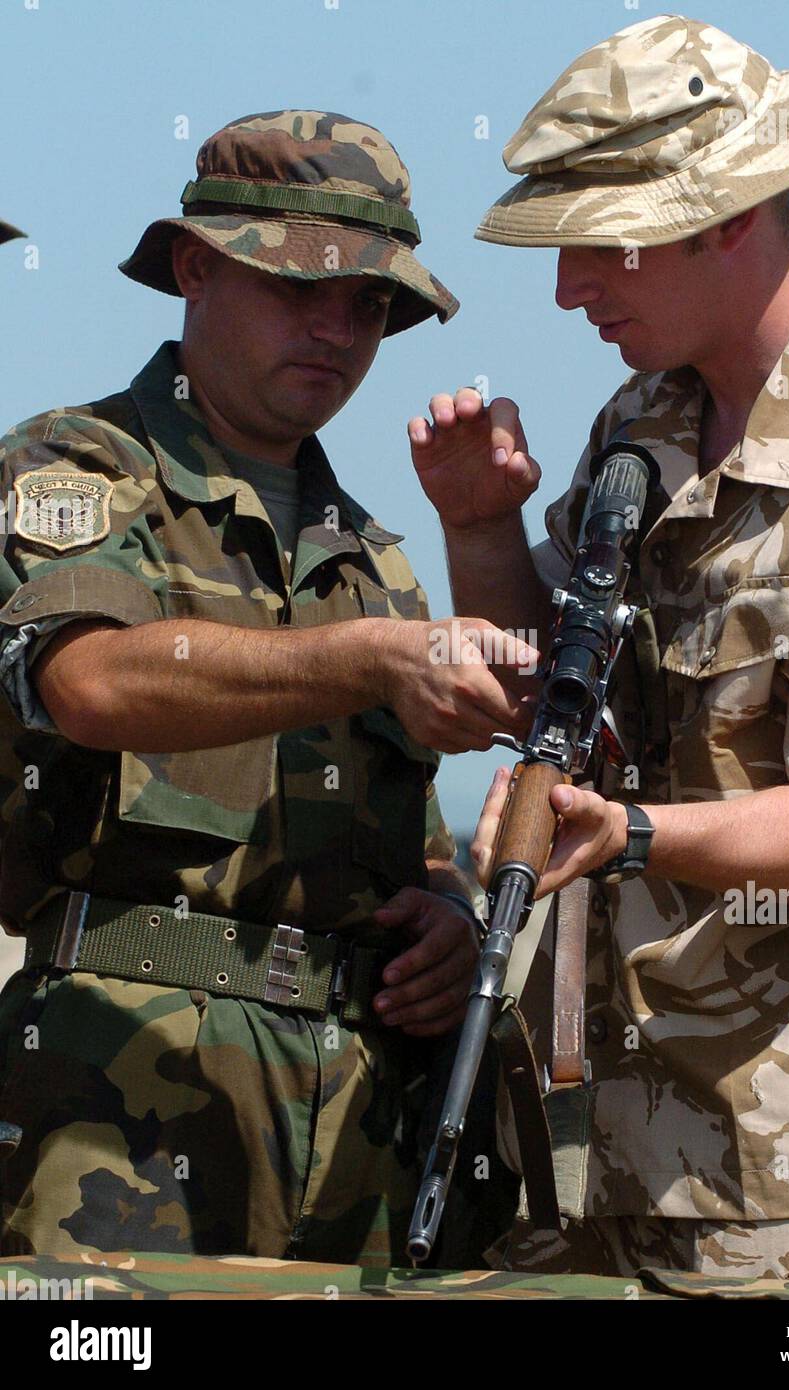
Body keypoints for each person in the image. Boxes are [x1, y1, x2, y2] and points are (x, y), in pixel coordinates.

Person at [409, 17, 789, 1297]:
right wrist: (479, 526)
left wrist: (633, 835)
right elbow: (553, 694)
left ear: (727, 217)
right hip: (616, 1147)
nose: (568, 291)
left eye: (605, 245)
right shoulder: (644, 422)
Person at [0, 110, 533, 1264]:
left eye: (369, 306)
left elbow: (405, 829)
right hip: (120, 1094)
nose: (337, 329)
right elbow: (87, 680)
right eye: (303, 288)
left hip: (357, 1120)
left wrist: (442, 913)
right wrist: (372, 658)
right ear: (196, 267)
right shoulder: (76, 466)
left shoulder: (374, 557)